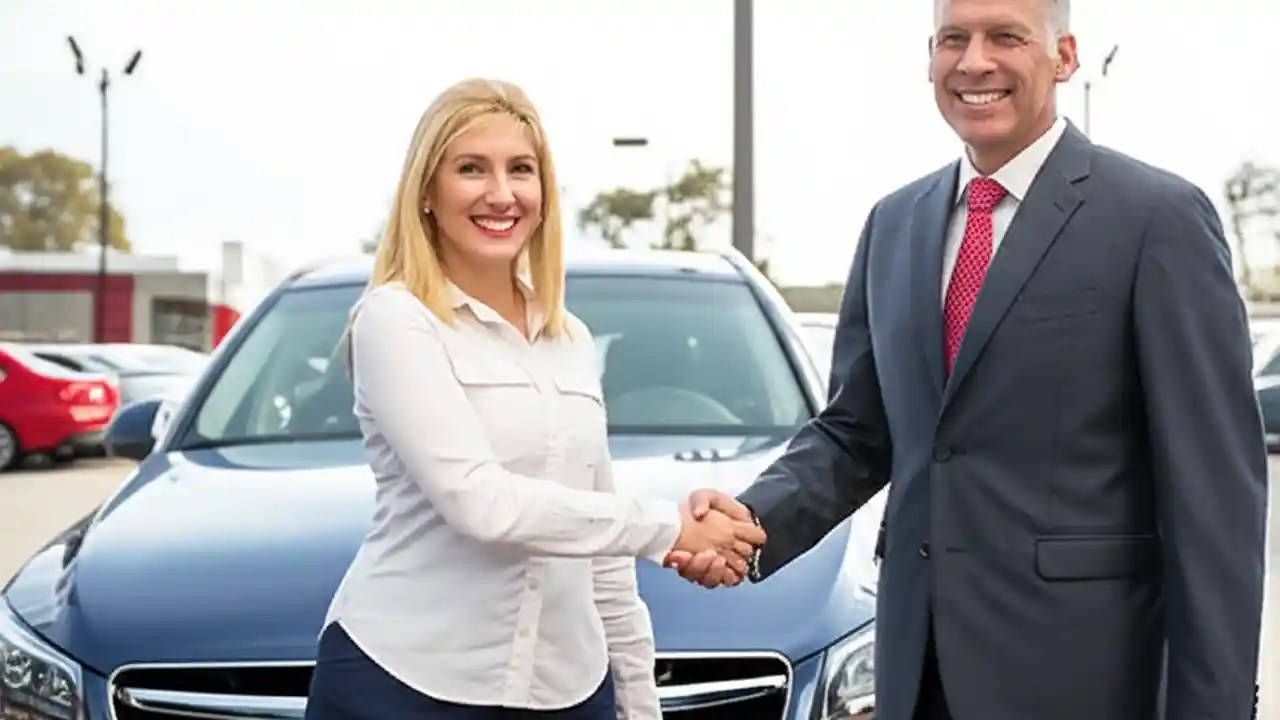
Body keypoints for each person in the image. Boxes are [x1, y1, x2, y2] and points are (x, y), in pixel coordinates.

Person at [666, 1, 1269, 718]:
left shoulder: (1156, 219)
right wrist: (748, 521)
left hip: (1087, 678)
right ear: (930, 59)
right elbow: (857, 434)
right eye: (954, 39)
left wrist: (1216, 706)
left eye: (1005, 37)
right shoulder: (895, 224)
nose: (974, 61)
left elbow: (1214, 498)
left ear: (1065, 57)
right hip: (916, 670)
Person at [303, 78, 765, 720]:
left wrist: (638, 703)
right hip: (406, 684)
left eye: (521, 170)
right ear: (427, 194)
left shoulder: (568, 337)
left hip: (569, 691)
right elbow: (481, 503)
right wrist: (671, 527)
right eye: (471, 169)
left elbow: (602, 556)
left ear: (544, 194)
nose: (501, 193)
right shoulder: (396, 319)